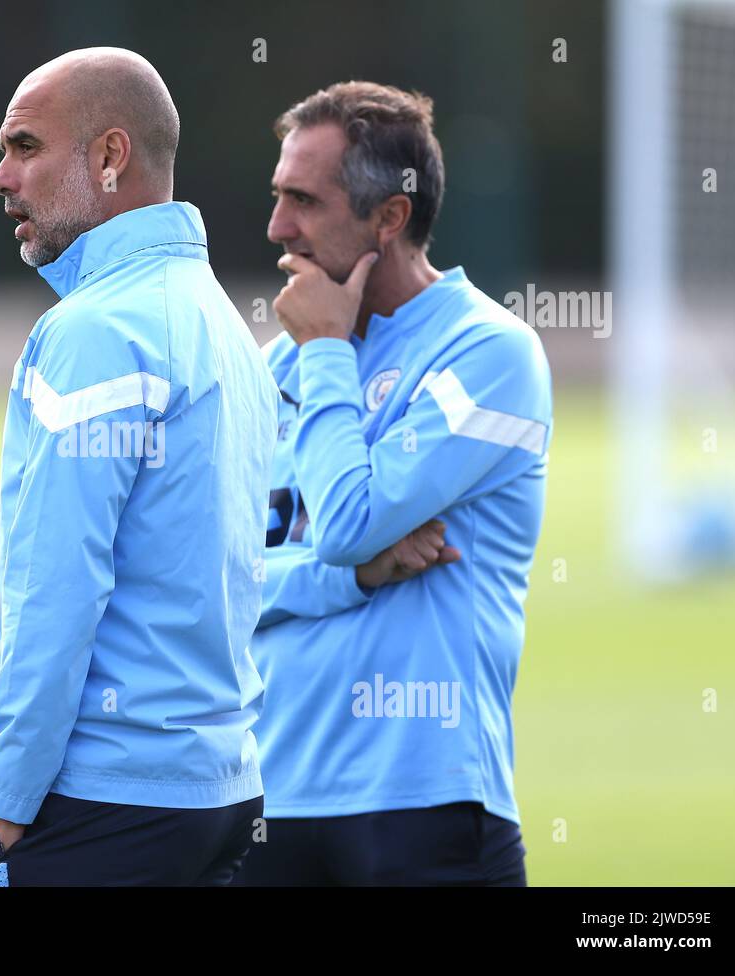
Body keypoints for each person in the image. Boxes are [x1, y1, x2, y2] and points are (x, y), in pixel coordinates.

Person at [0, 47, 280, 886]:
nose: (1, 176)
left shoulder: (96, 330)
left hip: (103, 800)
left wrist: (8, 801)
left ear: (108, 157)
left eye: (25, 147)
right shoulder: (224, 324)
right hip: (221, 792)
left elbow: (57, 586)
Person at [235, 82, 553, 886]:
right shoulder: (273, 370)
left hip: (425, 808)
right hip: (268, 808)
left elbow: (345, 521)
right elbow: (218, 584)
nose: (278, 228)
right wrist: (354, 576)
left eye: (305, 201)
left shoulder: (489, 353)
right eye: (278, 197)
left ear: (390, 217)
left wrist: (326, 355)